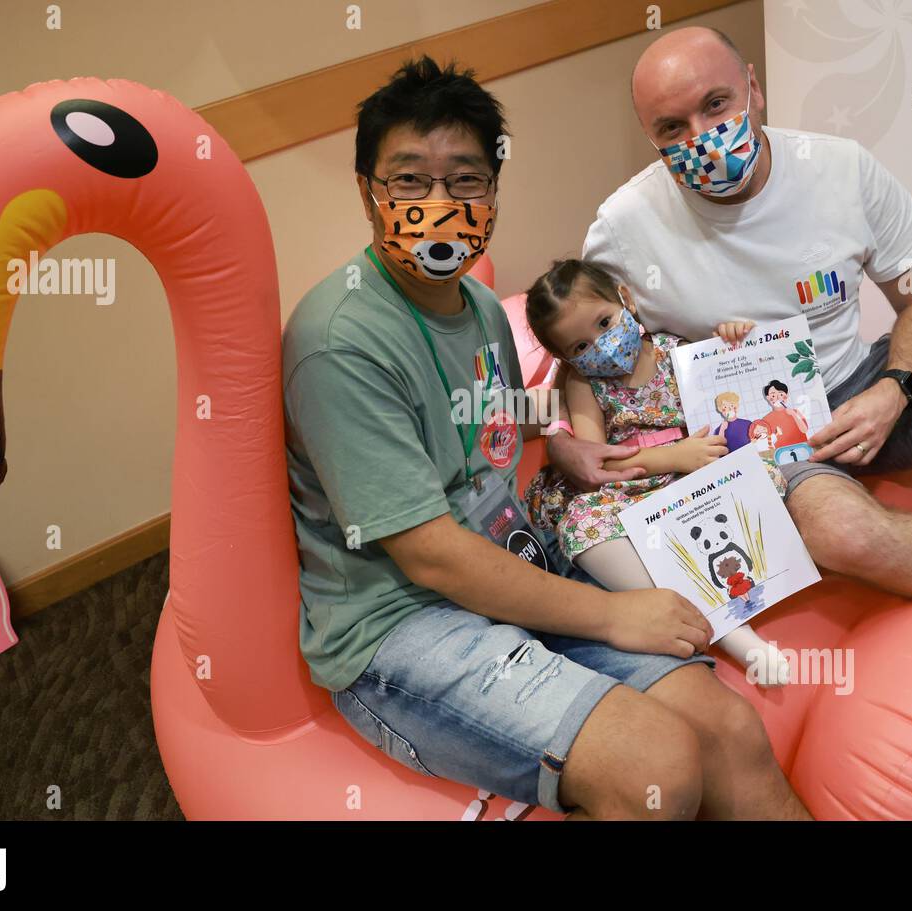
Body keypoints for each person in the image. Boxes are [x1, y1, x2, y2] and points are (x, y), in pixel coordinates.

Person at [281, 57, 811, 819]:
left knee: (729, 726)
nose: (438, 204)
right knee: (657, 767)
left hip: (511, 564)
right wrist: (612, 614)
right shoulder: (339, 342)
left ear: (491, 192)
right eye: (408, 180)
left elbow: (477, 414)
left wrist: (558, 433)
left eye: (464, 179)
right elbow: (427, 552)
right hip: (402, 621)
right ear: (367, 191)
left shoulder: (482, 310)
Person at [545, 26, 912, 678]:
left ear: (754, 87)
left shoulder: (841, 169)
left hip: (863, 375)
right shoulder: (624, 225)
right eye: (672, 127)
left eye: (717, 105)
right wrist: (561, 436)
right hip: (750, 436)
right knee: (850, 535)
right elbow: (583, 345)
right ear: (651, 136)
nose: (700, 135)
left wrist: (895, 387)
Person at [521, 258, 791, 686]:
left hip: (697, 469)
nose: (600, 345)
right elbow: (599, 463)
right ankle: (725, 628)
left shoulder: (676, 350)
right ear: (564, 357)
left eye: (604, 322)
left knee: (766, 472)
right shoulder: (583, 383)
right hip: (631, 483)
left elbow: (726, 388)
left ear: (624, 299)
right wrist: (671, 458)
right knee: (581, 524)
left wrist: (732, 340)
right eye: (579, 346)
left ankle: (746, 583)